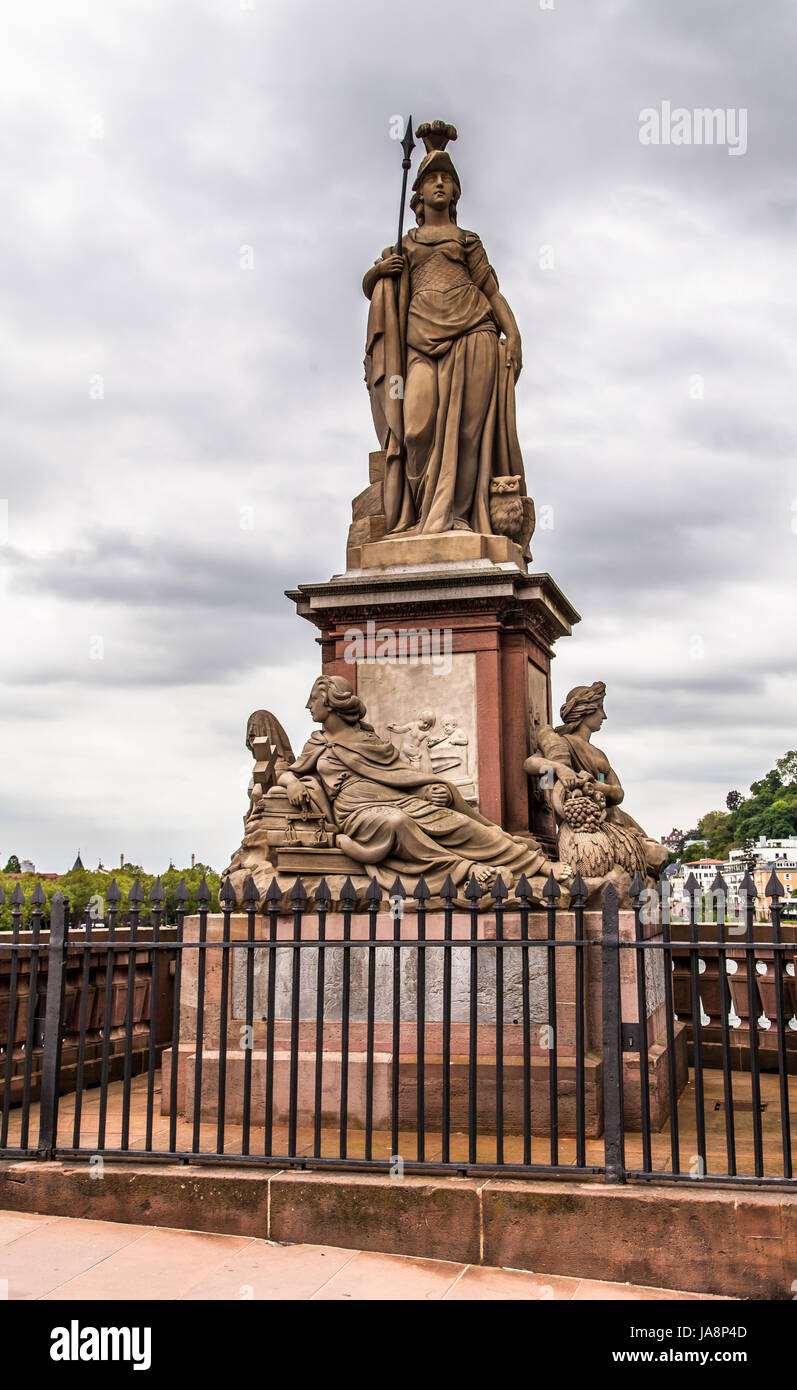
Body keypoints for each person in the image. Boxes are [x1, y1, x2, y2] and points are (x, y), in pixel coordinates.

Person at [362, 120, 530, 539]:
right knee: (416, 424)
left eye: (447, 179)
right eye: (432, 179)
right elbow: (374, 287)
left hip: (474, 335)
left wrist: (515, 335)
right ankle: (421, 519)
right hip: (418, 342)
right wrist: (380, 270)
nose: (440, 185)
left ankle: (455, 516)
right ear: (417, 194)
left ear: (456, 193)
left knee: (468, 433)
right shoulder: (407, 245)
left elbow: (491, 291)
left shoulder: (467, 241)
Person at [278, 674, 566, 898]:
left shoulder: (368, 740)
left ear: (330, 703)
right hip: (355, 812)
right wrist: (291, 782)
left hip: (394, 798)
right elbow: (287, 773)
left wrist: (426, 791)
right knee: (397, 823)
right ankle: (465, 869)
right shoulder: (317, 743)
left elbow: (398, 773)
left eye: (313, 700)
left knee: (455, 822)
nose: (308, 706)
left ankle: (538, 865)